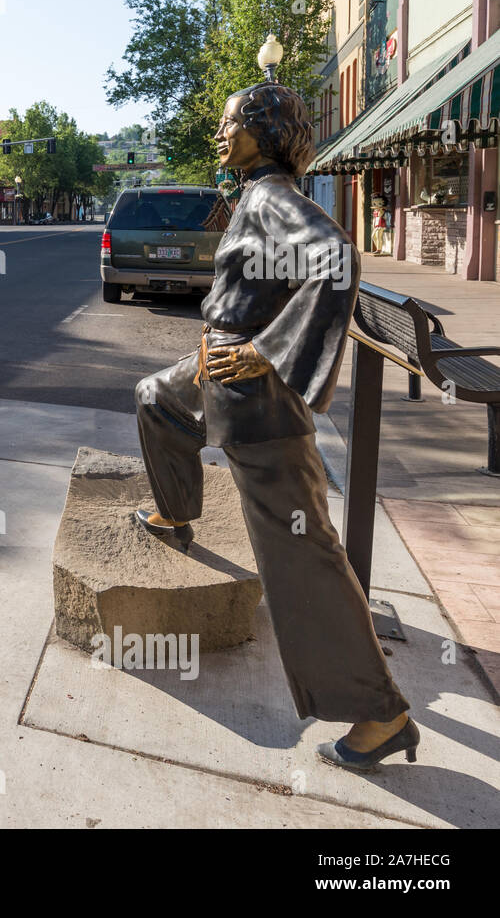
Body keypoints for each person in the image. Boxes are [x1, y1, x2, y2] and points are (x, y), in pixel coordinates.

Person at [132, 80, 417, 772]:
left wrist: (263, 351)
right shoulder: (253, 194)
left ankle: (381, 713)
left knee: (301, 553)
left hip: (258, 399)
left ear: (262, 128)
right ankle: (176, 513)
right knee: (157, 400)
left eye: (230, 123)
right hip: (217, 368)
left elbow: (336, 260)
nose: (219, 133)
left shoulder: (272, 197)